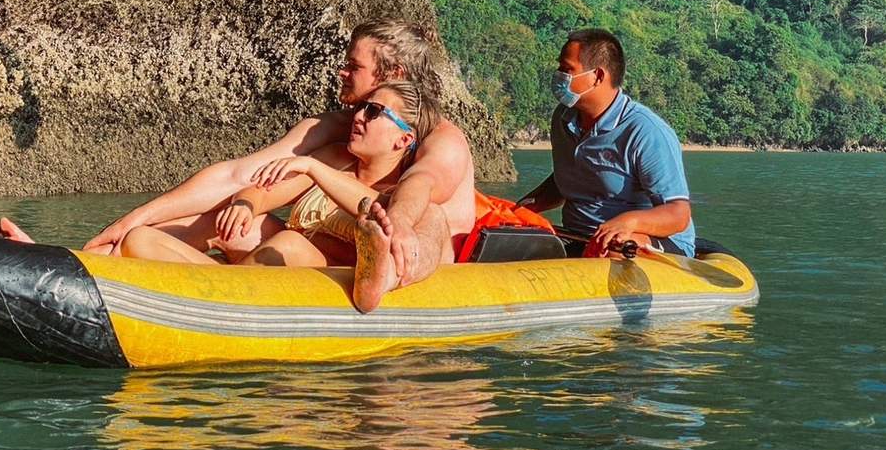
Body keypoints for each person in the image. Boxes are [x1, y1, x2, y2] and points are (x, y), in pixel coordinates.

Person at [77, 19, 477, 312]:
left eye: (354, 66)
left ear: (393, 74)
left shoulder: (440, 138)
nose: (341, 72)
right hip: (318, 249)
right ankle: (89, 264)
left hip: (414, 255)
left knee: (425, 216)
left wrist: (398, 227)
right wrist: (130, 222)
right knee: (230, 217)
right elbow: (240, 176)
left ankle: (380, 277)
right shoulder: (334, 134)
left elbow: (417, 188)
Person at [116, 80, 434, 270]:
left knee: (290, 244)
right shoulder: (336, 157)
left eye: (374, 112)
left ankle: (212, 283)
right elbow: (263, 191)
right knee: (222, 222)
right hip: (277, 261)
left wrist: (312, 167)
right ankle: (108, 261)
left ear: (403, 139)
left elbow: (376, 210)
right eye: (362, 107)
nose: (359, 116)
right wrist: (245, 204)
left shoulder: (401, 187)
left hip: (323, 277)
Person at [516, 28, 696, 257]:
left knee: (616, 245)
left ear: (598, 76)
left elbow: (678, 214)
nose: (559, 75)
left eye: (567, 69)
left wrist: (627, 223)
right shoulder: (563, 118)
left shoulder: (645, 131)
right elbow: (566, 179)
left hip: (651, 242)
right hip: (577, 235)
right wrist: (518, 210)